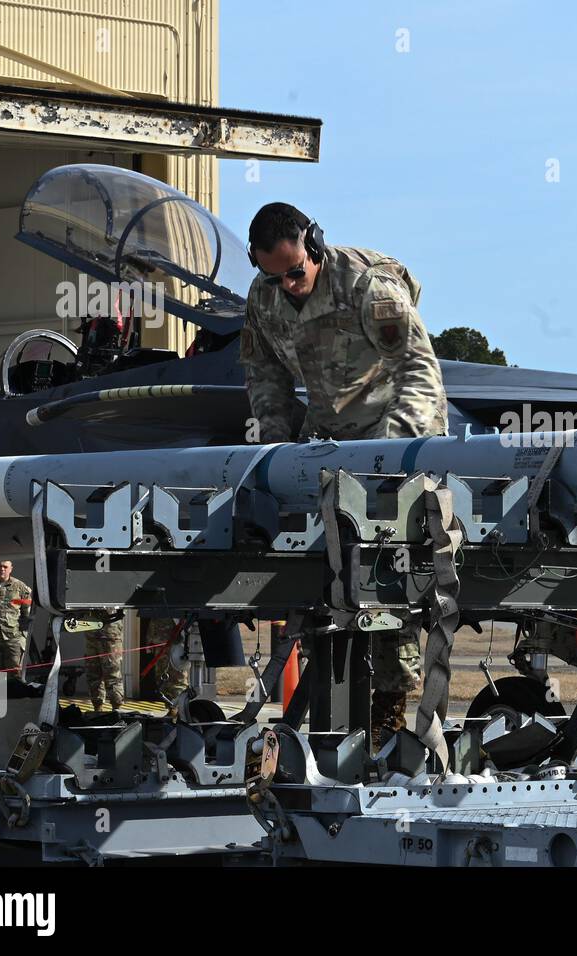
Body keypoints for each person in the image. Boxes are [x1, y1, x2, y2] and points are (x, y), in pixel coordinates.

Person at [239, 203, 448, 746]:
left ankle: (391, 705)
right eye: (273, 276)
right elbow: (264, 375)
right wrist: (278, 451)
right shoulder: (264, 300)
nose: (287, 286)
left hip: (396, 432)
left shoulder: (367, 286)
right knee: (327, 566)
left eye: (294, 273)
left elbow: (420, 372)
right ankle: (332, 692)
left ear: (314, 246)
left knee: (388, 566)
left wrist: (390, 456)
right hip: (328, 439)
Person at [0, 560, 33, 674]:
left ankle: (13, 692)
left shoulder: (20, 587)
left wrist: (23, 637)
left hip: (13, 639)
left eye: (5, 566)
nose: (2, 569)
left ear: (11, 568)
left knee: (14, 673)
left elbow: (27, 614)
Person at [79, 611, 125, 712]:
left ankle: (116, 708)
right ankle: (97, 707)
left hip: (109, 625)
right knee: (93, 670)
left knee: (111, 670)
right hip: (91, 626)